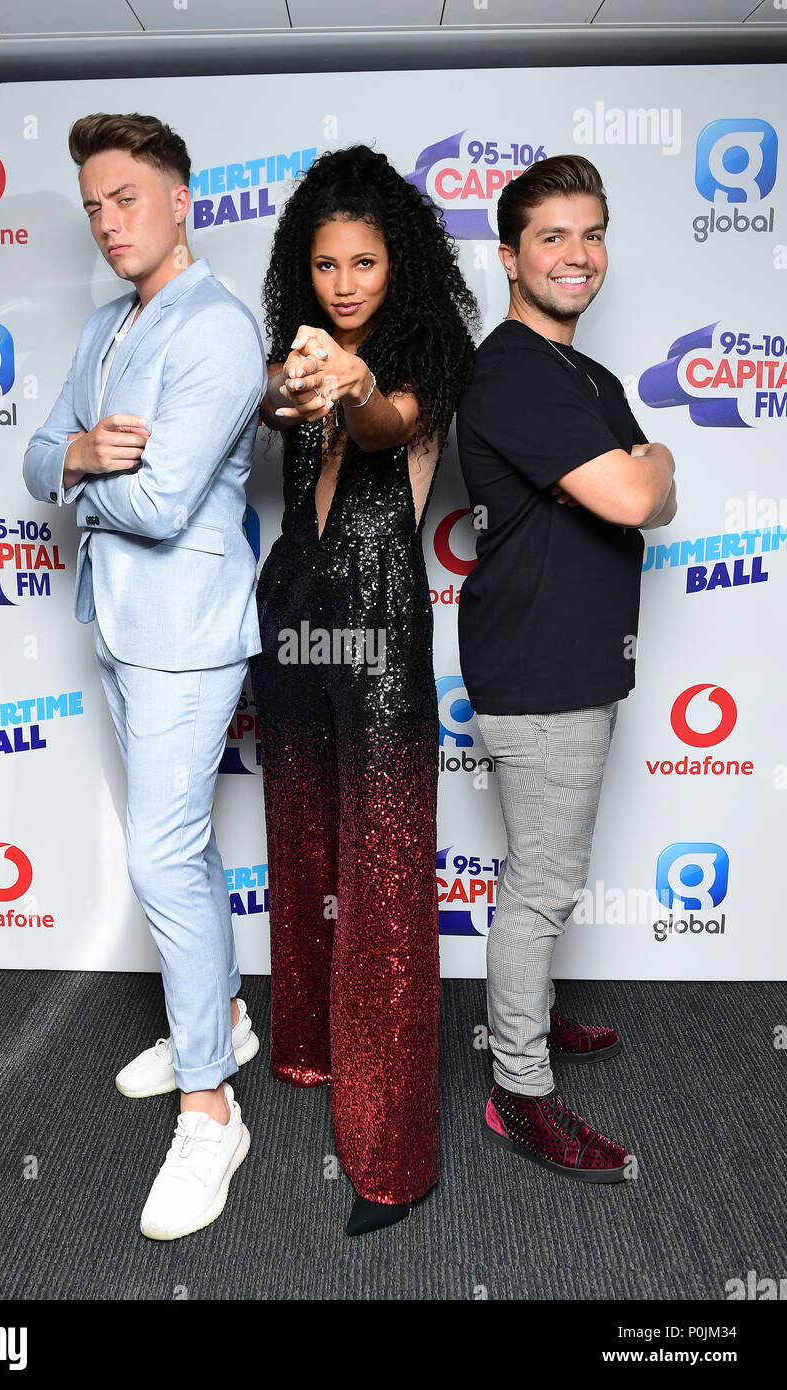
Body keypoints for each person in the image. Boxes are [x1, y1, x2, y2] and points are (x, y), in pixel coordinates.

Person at [23, 113, 266, 1239]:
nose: (110, 223)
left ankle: (210, 1106)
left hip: (185, 631)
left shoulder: (215, 331)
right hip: (118, 626)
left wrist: (89, 482)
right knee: (185, 845)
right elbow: (38, 455)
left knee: (163, 853)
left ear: (182, 199)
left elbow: (165, 503)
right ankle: (213, 1009)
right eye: (93, 207)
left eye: (128, 199)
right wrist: (78, 455)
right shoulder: (104, 326)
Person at [251, 144, 478, 1235]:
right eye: (326, 264)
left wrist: (350, 388)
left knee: (384, 879)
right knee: (297, 837)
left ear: (401, 266)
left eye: (365, 263)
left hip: (381, 628)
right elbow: (272, 414)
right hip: (290, 608)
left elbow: (389, 425)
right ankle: (302, 1050)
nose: (344, 283)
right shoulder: (296, 352)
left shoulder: (426, 351)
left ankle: (392, 1158)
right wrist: (293, 384)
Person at [456, 154, 676, 1182]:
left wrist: (648, 466)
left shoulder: (586, 377)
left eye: (589, 233)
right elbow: (640, 492)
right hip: (537, 668)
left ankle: (528, 1018)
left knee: (538, 877)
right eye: (550, 236)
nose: (575, 254)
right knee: (537, 889)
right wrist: (649, 464)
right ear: (508, 256)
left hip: (580, 663)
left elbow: (647, 482)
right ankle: (519, 1091)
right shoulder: (506, 367)